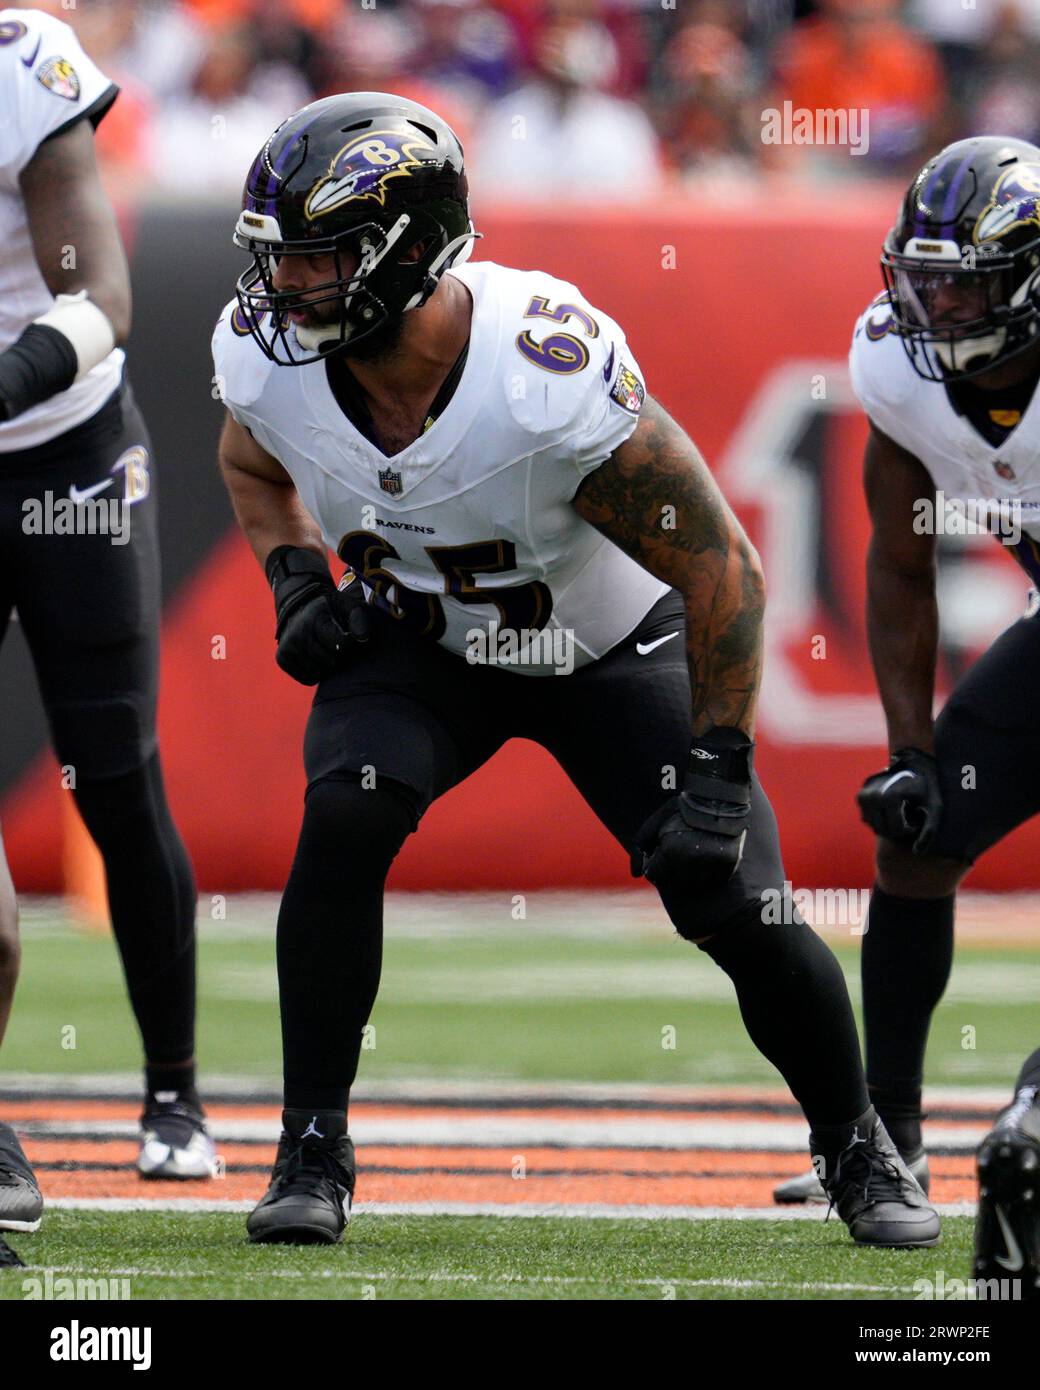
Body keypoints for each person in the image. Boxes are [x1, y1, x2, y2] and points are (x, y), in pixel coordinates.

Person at [213, 90, 938, 1248]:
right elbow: (251, 463)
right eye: (281, 260)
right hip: (423, 638)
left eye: (320, 258)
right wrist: (296, 576)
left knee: (732, 896)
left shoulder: (538, 372)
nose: (288, 289)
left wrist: (715, 763)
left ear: (408, 248)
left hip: (602, 640)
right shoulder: (269, 359)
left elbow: (719, 565)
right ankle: (312, 1141)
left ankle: (855, 1140)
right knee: (344, 817)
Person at [775, 139, 1040, 1289]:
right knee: (915, 831)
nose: (934, 306)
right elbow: (896, 560)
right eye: (921, 278)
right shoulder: (895, 364)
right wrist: (909, 749)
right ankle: (887, 1135)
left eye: (964, 282)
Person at [0, 7, 213, 1238]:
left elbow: (104, 299)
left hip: (60, 449)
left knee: (115, 774)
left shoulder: (24, 63)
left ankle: (175, 1089)